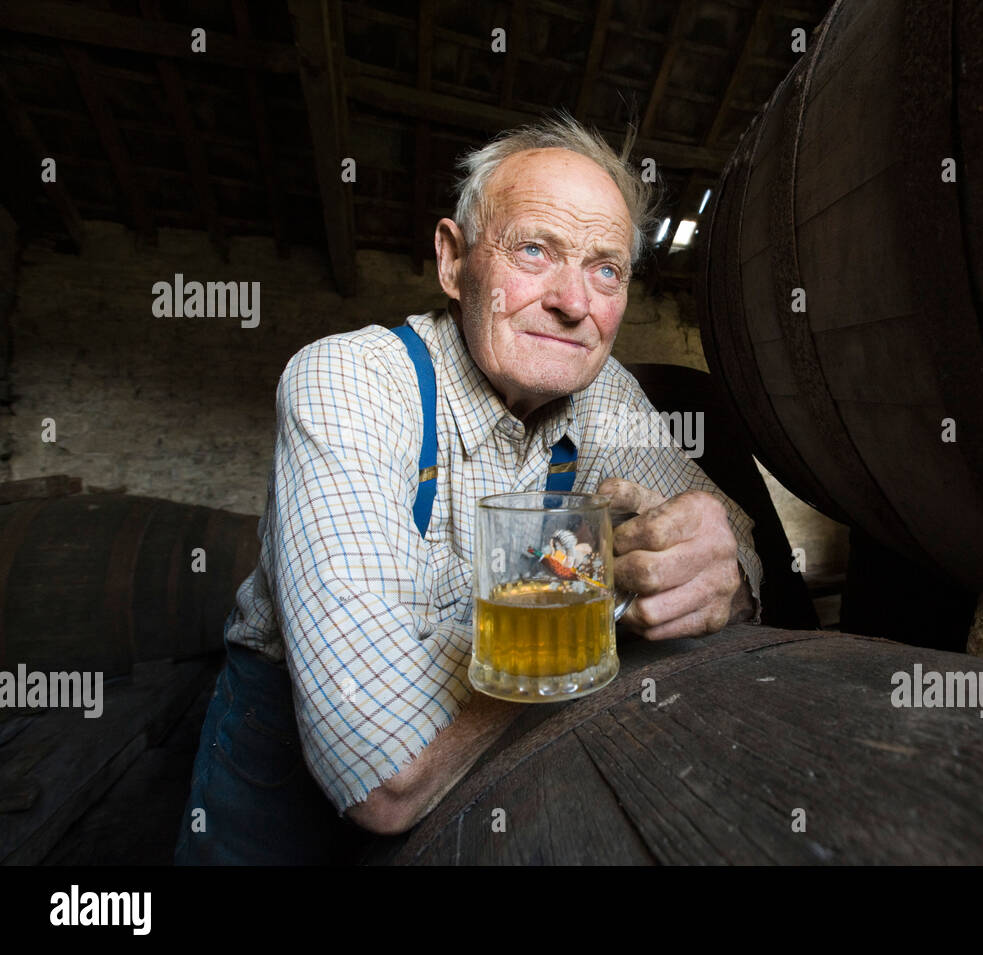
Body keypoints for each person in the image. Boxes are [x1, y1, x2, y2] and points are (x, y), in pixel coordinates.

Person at [174, 115, 762, 864]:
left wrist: (721, 573)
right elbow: (381, 779)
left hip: (485, 765)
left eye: (606, 268)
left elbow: (736, 545)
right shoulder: (350, 381)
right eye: (534, 249)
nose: (573, 302)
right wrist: (586, 635)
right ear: (453, 262)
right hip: (278, 763)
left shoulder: (606, 394)